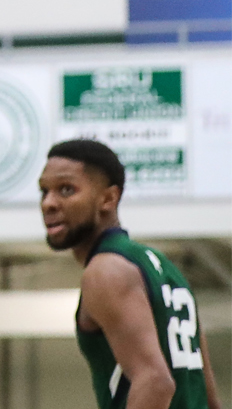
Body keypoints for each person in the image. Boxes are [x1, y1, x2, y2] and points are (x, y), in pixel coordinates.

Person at [40, 139, 220, 409]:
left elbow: (156, 381)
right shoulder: (166, 267)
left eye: (66, 190)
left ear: (108, 198)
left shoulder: (105, 269)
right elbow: (208, 398)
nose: (48, 203)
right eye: (44, 191)